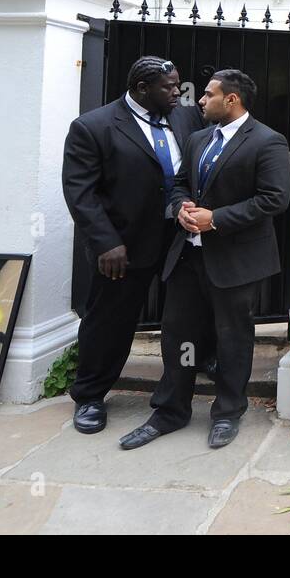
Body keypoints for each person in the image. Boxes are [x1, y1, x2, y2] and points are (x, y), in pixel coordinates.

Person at [120, 69, 290, 451]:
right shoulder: (198, 139)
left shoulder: (267, 141)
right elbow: (180, 183)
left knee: (232, 338)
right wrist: (181, 207)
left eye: (209, 94)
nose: (200, 99)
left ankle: (227, 412)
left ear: (231, 100)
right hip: (188, 256)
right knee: (178, 335)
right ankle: (170, 410)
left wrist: (215, 219)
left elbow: (274, 198)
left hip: (237, 260)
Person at [60, 56, 205, 434]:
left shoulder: (185, 117)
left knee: (189, 314)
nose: (177, 92)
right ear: (142, 88)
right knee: (110, 321)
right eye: (168, 87)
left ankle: (197, 367)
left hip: (179, 239)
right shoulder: (94, 126)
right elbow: (81, 192)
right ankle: (90, 395)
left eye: (177, 85)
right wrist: (106, 242)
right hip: (123, 246)